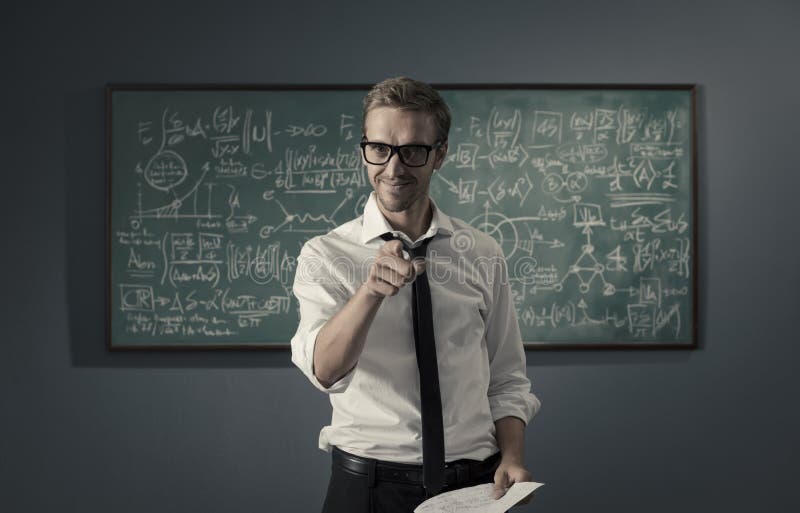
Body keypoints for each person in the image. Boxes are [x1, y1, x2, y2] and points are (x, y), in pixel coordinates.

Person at [290, 77, 541, 513]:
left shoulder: (482, 252)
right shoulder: (324, 255)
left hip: (476, 484)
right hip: (367, 489)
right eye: (380, 149)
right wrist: (370, 292)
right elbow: (325, 371)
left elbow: (506, 375)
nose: (393, 168)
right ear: (364, 150)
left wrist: (514, 456)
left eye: (413, 151)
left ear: (439, 154)